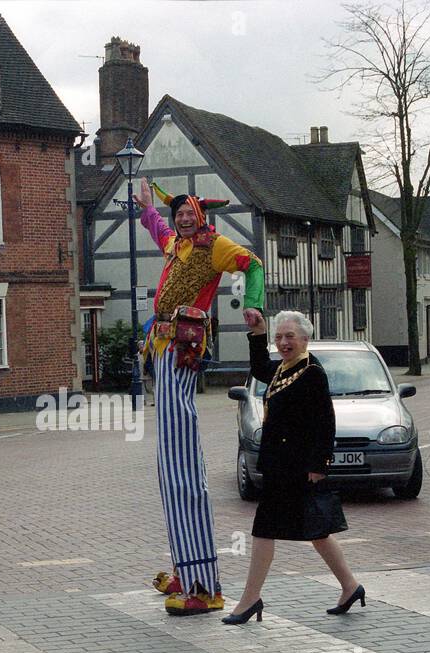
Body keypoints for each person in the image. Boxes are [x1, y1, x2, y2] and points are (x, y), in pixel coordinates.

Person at [135, 178, 266, 616]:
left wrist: (252, 303)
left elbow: (254, 264)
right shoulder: (176, 245)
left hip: (182, 349)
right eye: (179, 215)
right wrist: (145, 208)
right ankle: (185, 566)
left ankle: (201, 584)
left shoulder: (216, 247)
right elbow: (157, 227)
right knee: (168, 467)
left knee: (180, 469)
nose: (183, 220)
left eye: (189, 213)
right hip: (163, 347)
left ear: (202, 216)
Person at [223, 310, 363, 625]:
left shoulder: (312, 371)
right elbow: (260, 367)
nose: (284, 343)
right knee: (317, 531)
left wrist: (319, 464)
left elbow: (326, 421)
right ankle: (350, 586)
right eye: (279, 337)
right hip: (279, 465)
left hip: (297, 466)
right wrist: (257, 333)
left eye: (290, 337)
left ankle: (250, 599)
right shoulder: (282, 369)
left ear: (304, 339)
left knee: (265, 528)